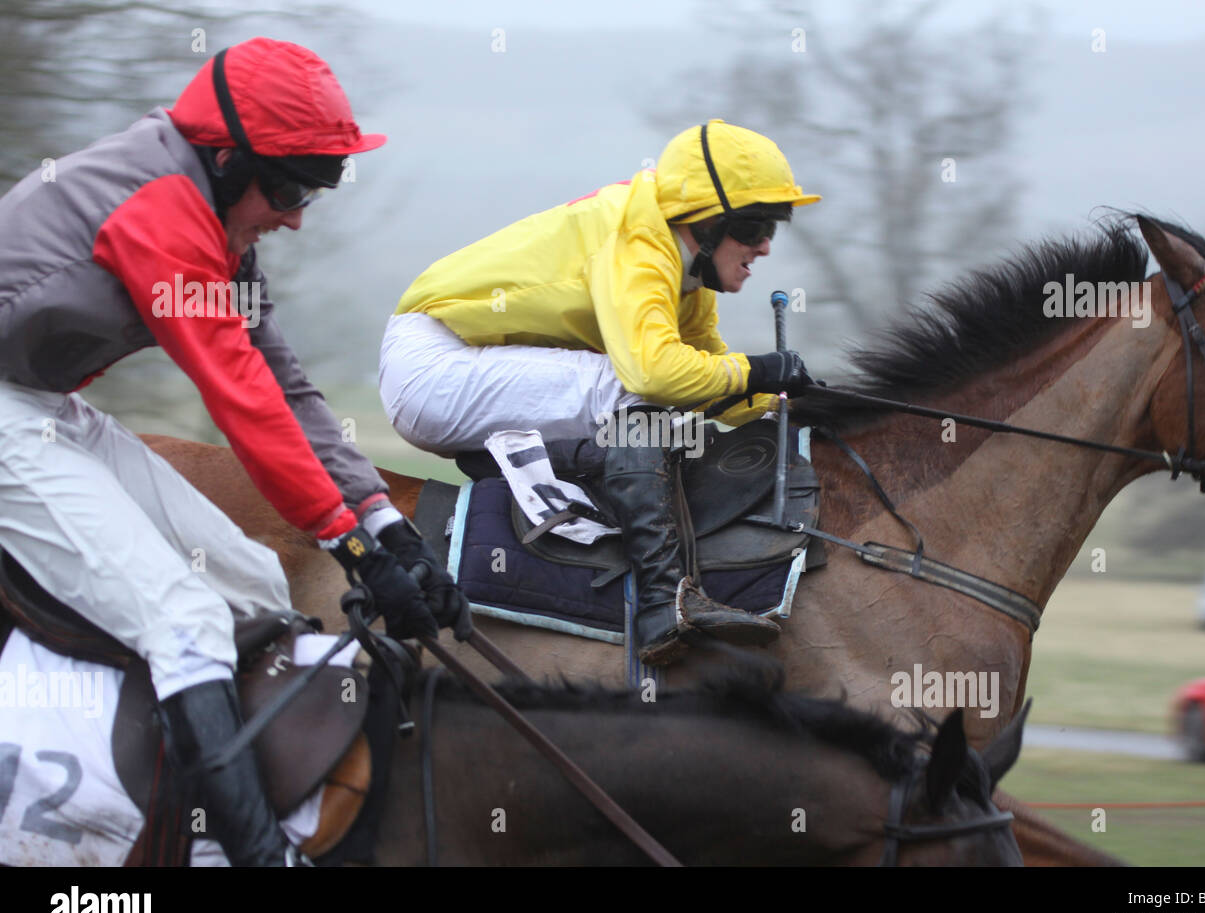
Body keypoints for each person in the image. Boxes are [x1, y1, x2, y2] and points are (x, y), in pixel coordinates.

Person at [0, 37, 469, 866]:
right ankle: (244, 851)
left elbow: (287, 388)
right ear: (223, 160)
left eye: (312, 194)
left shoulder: (217, 219)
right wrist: (350, 544)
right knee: (181, 619)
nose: (294, 216)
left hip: (41, 403)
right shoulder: (161, 210)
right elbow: (239, 397)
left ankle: (201, 798)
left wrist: (387, 531)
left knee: (251, 582)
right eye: (288, 188)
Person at [379, 119, 820, 666]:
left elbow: (704, 371)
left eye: (774, 226)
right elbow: (655, 375)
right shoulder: (641, 242)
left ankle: (554, 480)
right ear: (703, 221)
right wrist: (759, 370)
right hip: (433, 366)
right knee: (634, 388)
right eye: (753, 226)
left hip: (462, 366)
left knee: (662, 397)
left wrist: (787, 402)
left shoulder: (685, 267)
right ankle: (664, 602)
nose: (765, 245)